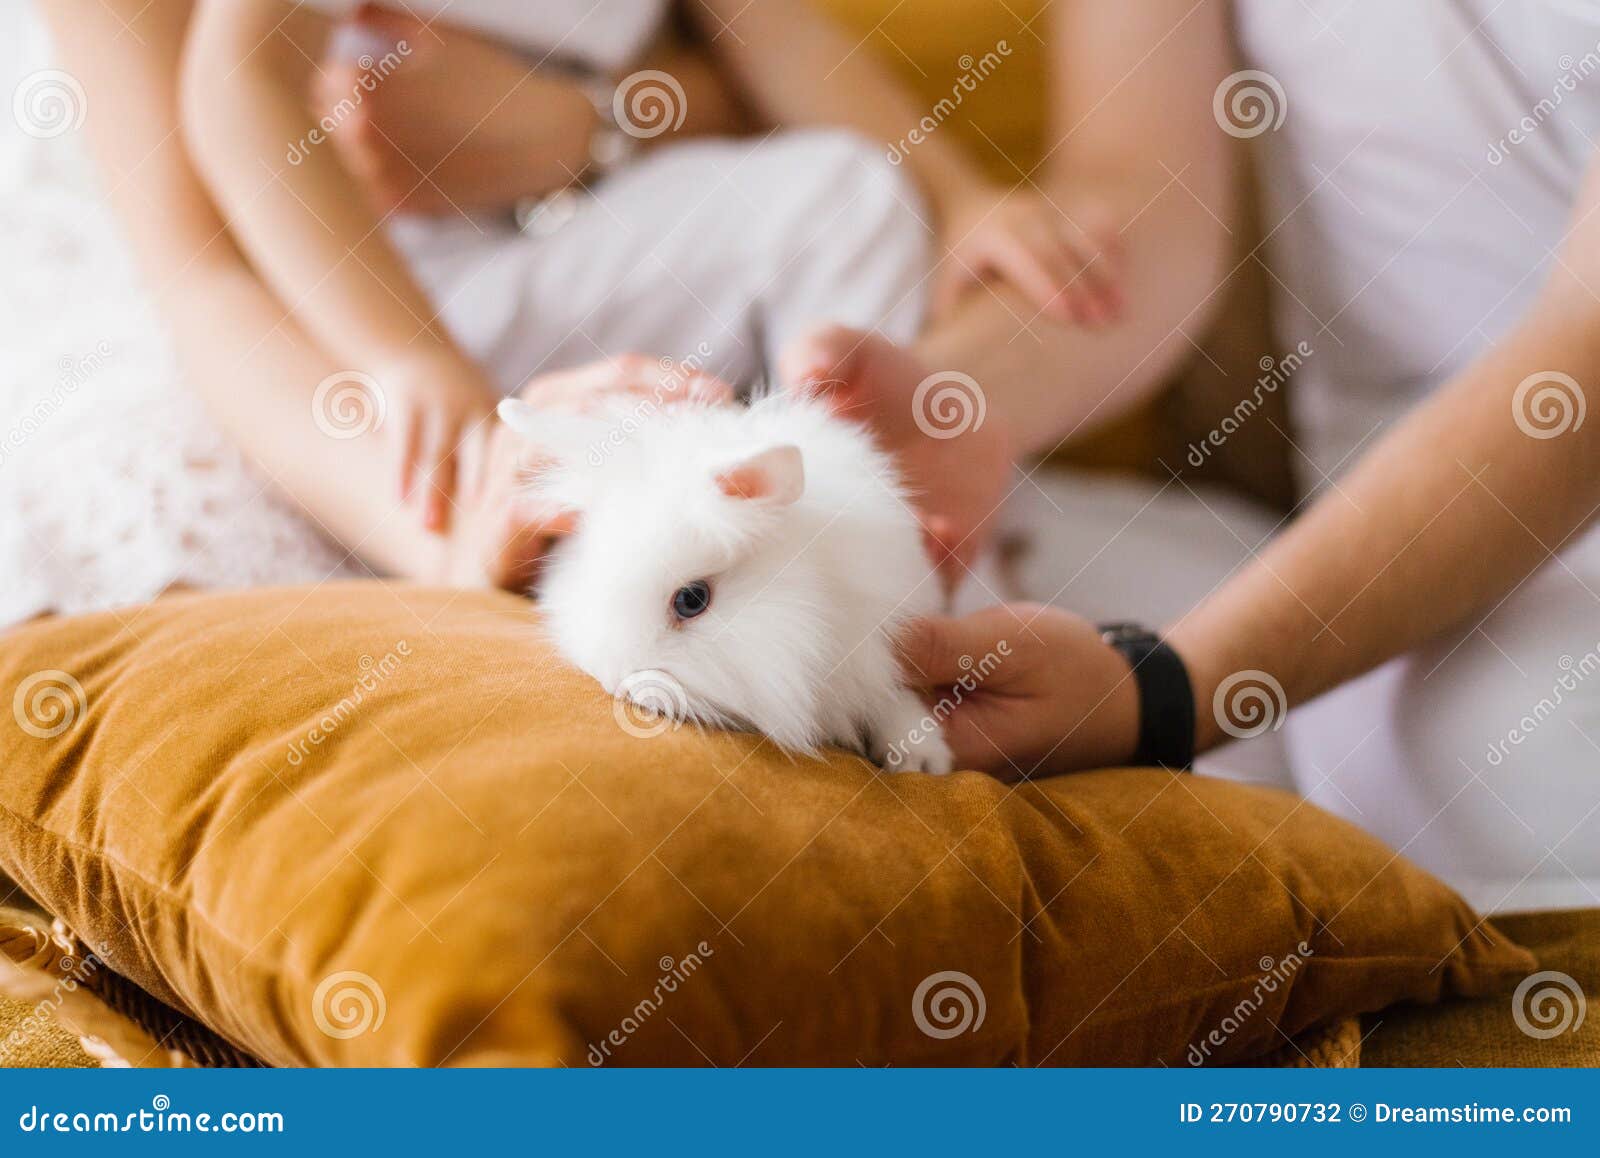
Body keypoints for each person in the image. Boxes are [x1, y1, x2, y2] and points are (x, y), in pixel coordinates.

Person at [901, 2, 1600, 914]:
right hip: (1351, 516)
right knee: (901, 634)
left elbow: (1582, 356)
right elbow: (1136, 217)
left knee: (1490, 765)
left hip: (1554, 493)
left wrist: (1163, 692)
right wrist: (931, 405)